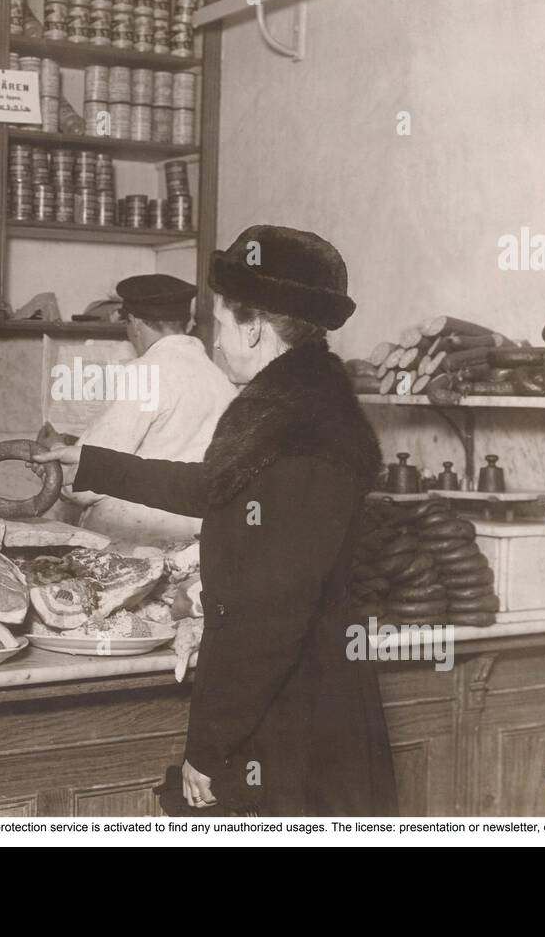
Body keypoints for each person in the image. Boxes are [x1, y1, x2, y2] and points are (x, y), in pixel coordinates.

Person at [37, 226, 398, 815]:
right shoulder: (293, 405)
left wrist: (208, 746)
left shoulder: (303, 431)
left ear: (254, 327)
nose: (217, 340)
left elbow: (271, 617)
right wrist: (93, 463)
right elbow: (216, 488)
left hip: (297, 719)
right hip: (288, 700)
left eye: (222, 323)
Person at [59, 274, 236, 548]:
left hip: (136, 536)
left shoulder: (144, 372)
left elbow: (87, 482)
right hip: (198, 537)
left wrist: (55, 455)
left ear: (136, 323)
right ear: (187, 323)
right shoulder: (220, 379)